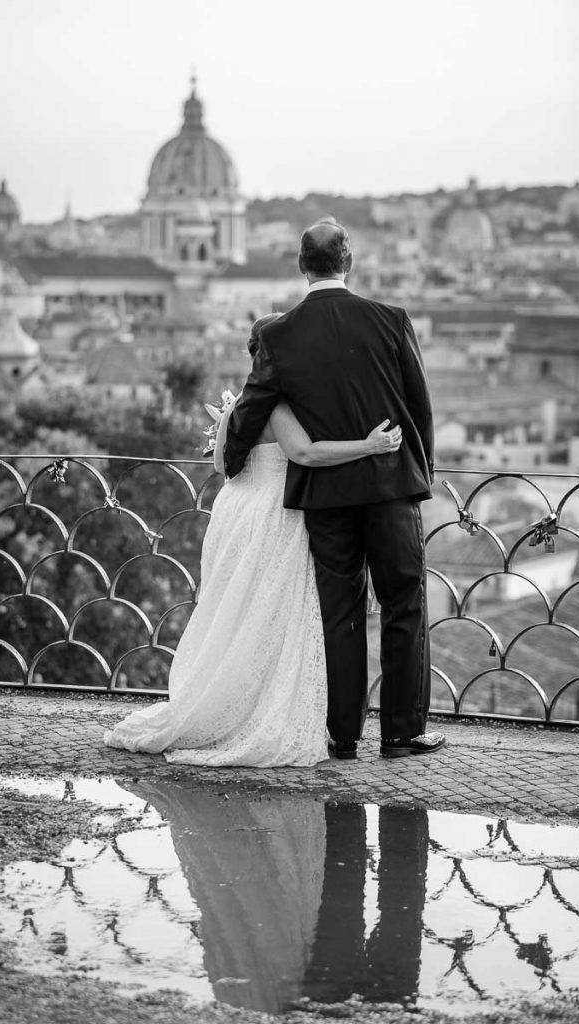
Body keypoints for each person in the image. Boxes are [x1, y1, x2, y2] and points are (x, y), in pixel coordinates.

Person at [103, 314, 402, 767]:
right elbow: (303, 453)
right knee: (273, 615)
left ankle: (233, 698)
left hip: (236, 510)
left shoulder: (240, 402)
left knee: (240, 611)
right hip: (275, 514)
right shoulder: (279, 405)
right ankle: (263, 711)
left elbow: (223, 465)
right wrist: (369, 446)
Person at [225, 218, 445, 760]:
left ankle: (342, 734)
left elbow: (254, 406)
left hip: (325, 495)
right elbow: (419, 407)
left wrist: (232, 462)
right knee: (404, 605)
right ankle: (400, 733)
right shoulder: (390, 320)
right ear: (350, 262)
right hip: (392, 486)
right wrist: (425, 471)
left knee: (341, 614)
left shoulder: (278, 334)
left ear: (302, 266)